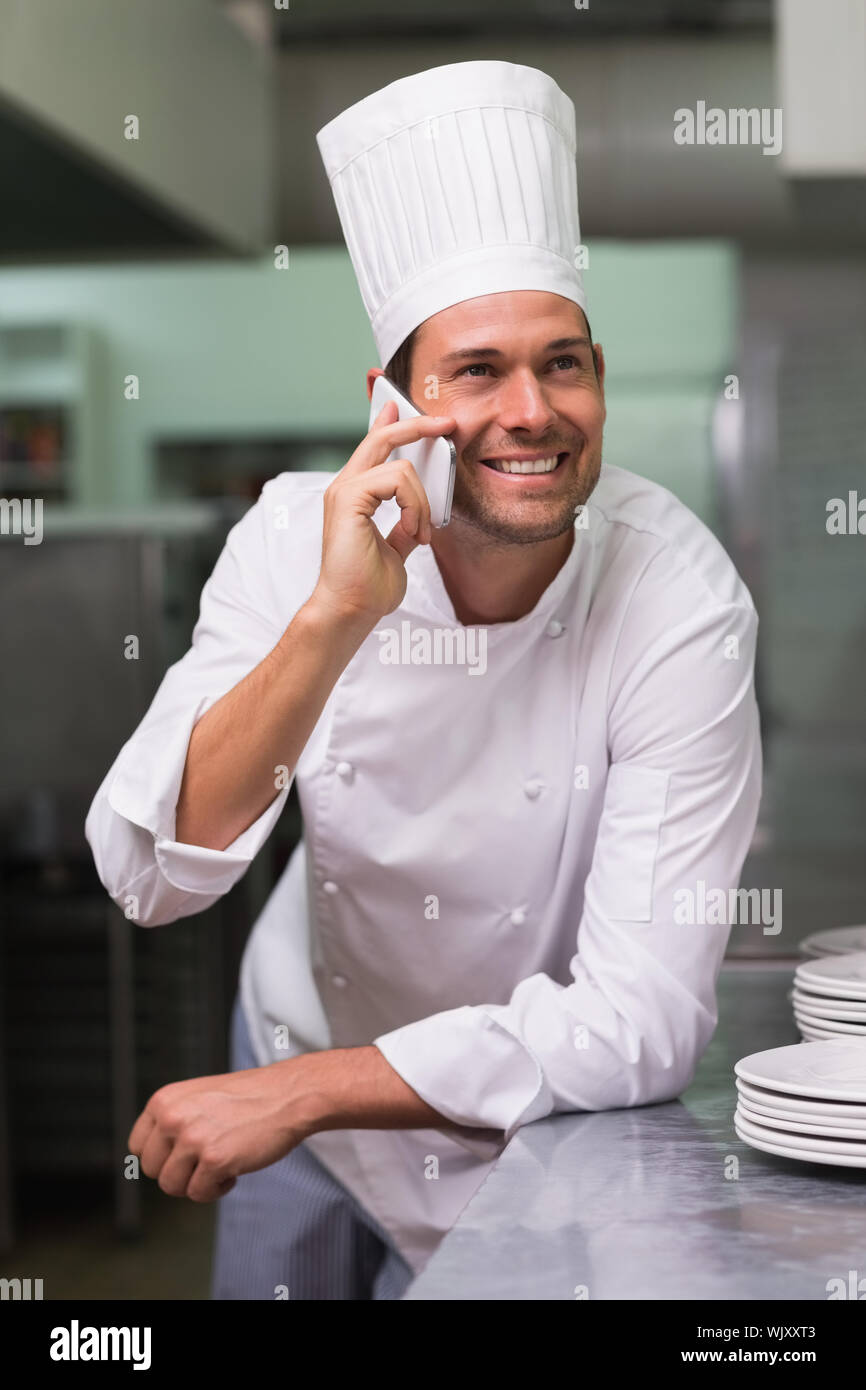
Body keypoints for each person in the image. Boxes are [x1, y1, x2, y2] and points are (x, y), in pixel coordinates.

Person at [85, 60, 762, 1300]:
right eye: (476, 370)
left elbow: (643, 1020)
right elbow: (148, 872)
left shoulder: (677, 594)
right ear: (389, 402)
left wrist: (302, 1091)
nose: (530, 411)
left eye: (563, 363)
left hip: (531, 1102)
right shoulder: (295, 540)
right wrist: (338, 614)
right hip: (300, 1054)